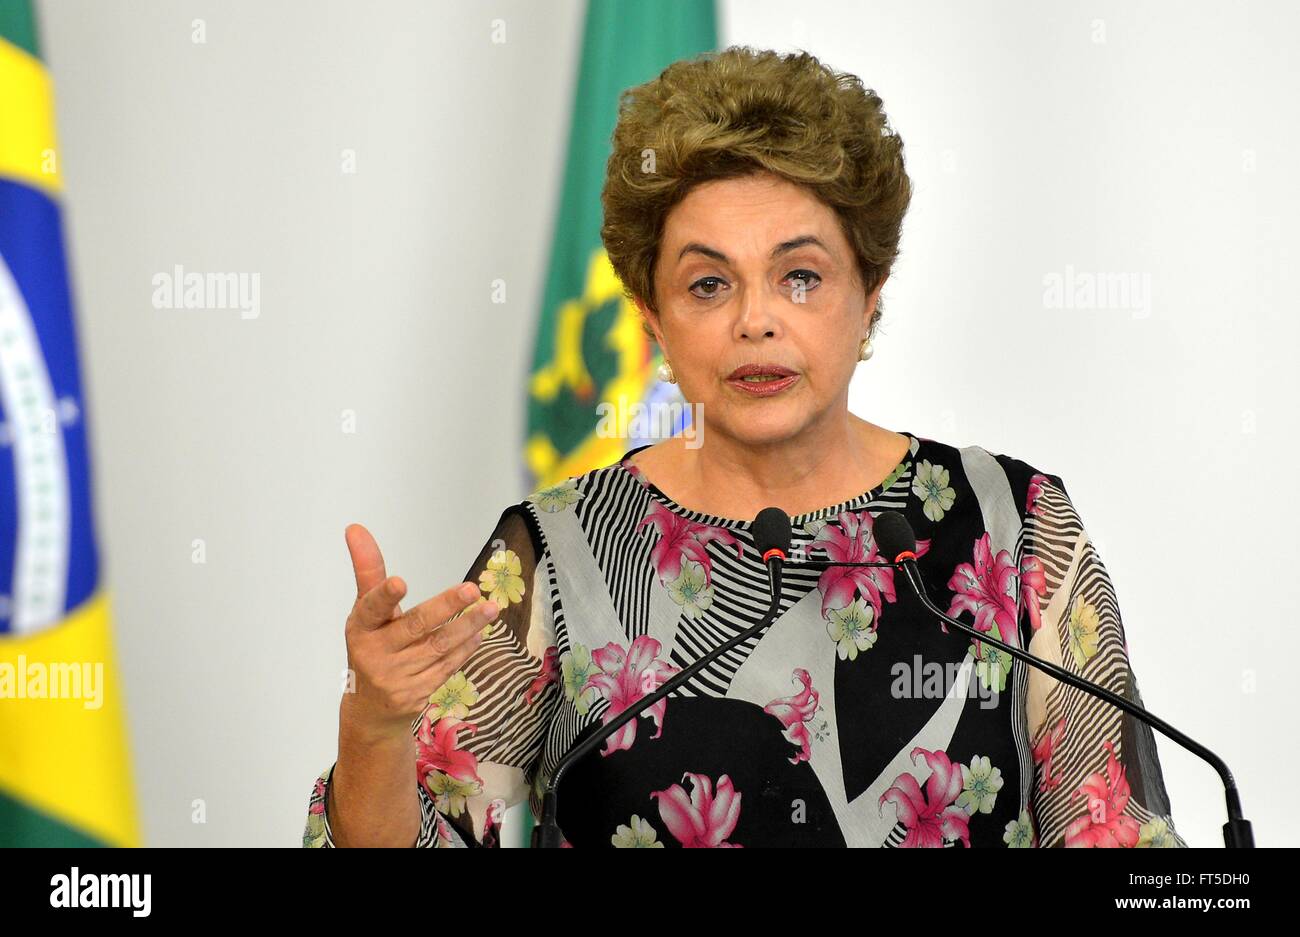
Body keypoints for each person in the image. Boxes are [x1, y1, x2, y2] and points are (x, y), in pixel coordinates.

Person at [303, 46, 1186, 848]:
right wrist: (373, 729)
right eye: (708, 283)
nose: (755, 319)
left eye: (800, 275)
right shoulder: (558, 556)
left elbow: (1126, 849)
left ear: (871, 292)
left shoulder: (1015, 526)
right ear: (653, 319)